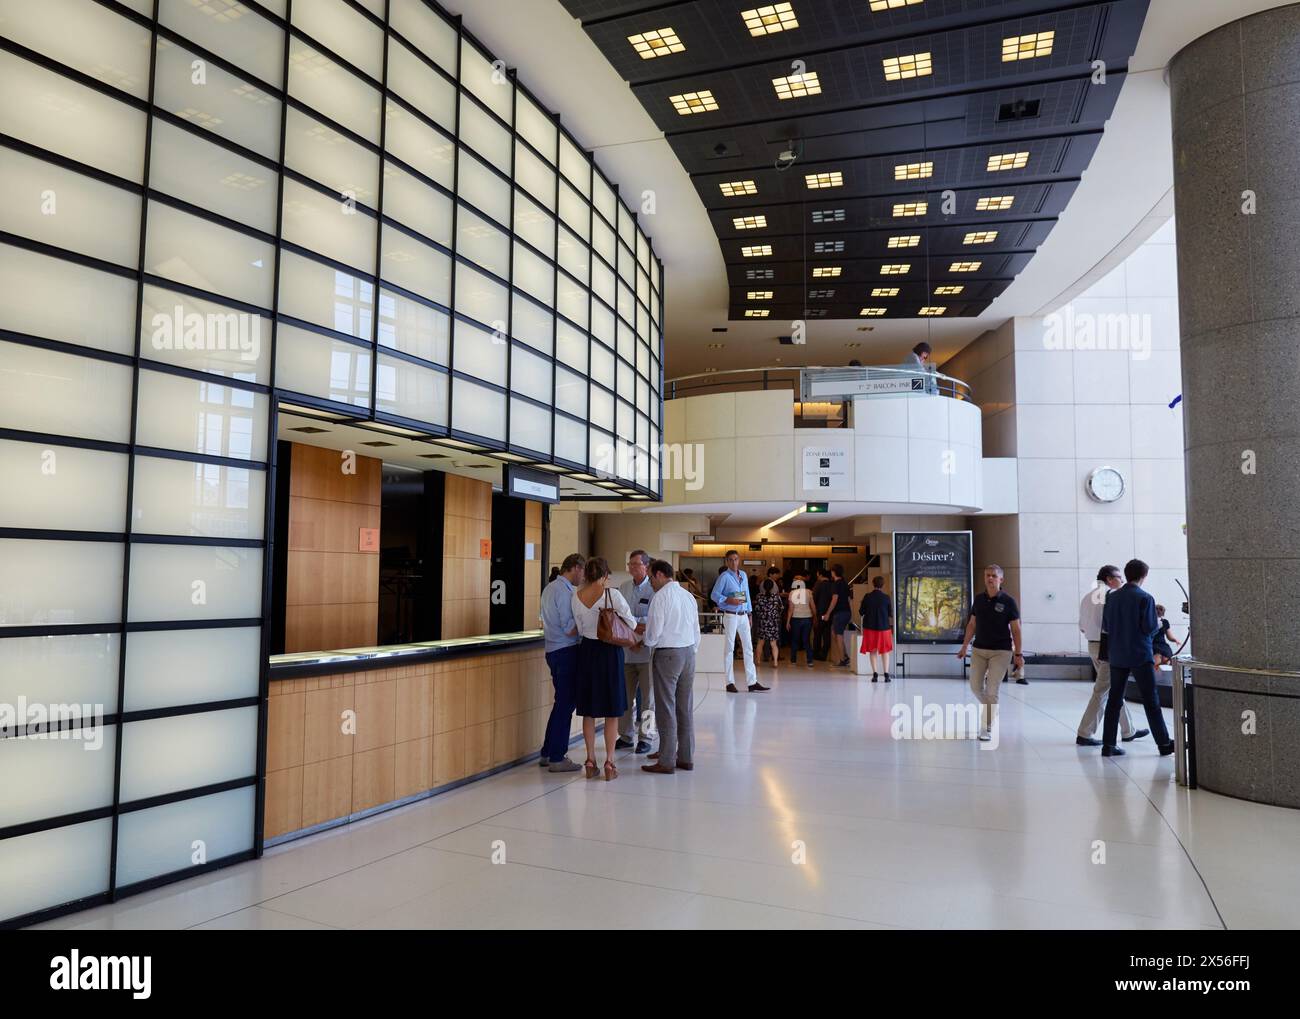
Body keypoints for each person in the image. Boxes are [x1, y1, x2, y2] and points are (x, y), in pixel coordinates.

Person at [571, 557, 641, 780]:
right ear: (602, 575)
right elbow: (630, 623)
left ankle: (590, 760)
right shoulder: (613, 595)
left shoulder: (576, 596)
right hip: (610, 653)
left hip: (587, 651)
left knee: (589, 709)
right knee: (612, 710)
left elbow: (580, 628)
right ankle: (610, 762)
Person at [1100, 560, 1175, 758]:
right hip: (1140, 655)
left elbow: (1106, 626)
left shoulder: (1112, 598)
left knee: (1114, 700)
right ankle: (1164, 743)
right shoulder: (1145, 598)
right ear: (1144, 576)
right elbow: (1149, 627)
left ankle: (1108, 744)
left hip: (1117, 654)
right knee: (1151, 700)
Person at [641, 560, 701, 775]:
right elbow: (696, 629)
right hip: (688, 654)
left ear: (659, 575)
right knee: (684, 708)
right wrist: (691, 651)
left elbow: (653, 633)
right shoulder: (687, 595)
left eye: (650, 577)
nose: (650, 583)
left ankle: (666, 761)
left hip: (667, 655)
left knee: (666, 708)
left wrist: (643, 640)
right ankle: (686, 757)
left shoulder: (660, 597)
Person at [1075, 565, 1145, 747]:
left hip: (1092, 645)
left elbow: (1081, 626)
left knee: (1115, 687)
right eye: (1119, 578)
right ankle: (1085, 733)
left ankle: (1128, 730)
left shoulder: (1087, 597)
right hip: (1106, 648)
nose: (1122, 582)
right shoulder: (1109, 596)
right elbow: (1112, 625)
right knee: (1102, 691)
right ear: (1109, 579)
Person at [956, 564, 1023, 742]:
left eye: (994, 576)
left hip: (1001, 651)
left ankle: (986, 727)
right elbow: (971, 624)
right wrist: (964, 646)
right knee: (975, 687)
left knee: (992, 690)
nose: (990, 578)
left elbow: (1016, 630)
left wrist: (1019, 654)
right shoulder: (978, 600)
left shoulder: (1009, 602)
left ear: (1001, 579)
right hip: (979, 649)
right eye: (987, 575)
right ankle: (991, 707)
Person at [538, 553, 585, 772]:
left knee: (561, 703)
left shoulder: (549, 589)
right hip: (566, 651)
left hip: (552, 651)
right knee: (566, 704)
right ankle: (558, 757)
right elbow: (569, 627)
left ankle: (548, 752)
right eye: (582, 571)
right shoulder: (565, 593)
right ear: (575, 568)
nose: (582, 577)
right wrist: (587, 625)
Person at [710, 550, 767, 692]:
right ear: (727, 561)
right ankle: (729, 682)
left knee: (748, 648)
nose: (734, 562)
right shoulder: (724, 577)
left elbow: (746, 594)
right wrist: (728, 600)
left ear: (739, 560)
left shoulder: (743, 575)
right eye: (730, 560)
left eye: (736, 559)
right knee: (729, 649)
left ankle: (752, 682)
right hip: (730, 615)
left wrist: (750, 613)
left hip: (743, 616)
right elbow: (714, 595)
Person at [616, 550, 655, 755]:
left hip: (647, 652)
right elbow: (619, 618)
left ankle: (646, 737)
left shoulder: (654, 589)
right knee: (625, 697)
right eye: (630, 564)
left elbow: (653, 620)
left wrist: (637, 628)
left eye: (635, 564)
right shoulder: (623, 588)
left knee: (648, 699)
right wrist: (632, 635)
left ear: (645, 566)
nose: (631, 567)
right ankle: (625, 736)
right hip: (627, 651)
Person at [859, 576, 893, 682]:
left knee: (873, 651)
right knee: (885, 651)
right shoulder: (886, 597)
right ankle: (886, 674)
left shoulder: (867, 596)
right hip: (884, 628)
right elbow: (890, 613)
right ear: (882, 585)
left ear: (873, 584)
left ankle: (875, 674)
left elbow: (861, 612)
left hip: (870, 628)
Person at [823, 564, 853, 667]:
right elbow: (849, 600)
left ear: (833, 572)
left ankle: (843, 659)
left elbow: (834, 599)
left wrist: (827, 613)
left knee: (838, 635)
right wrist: (850, 613)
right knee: (835, 633)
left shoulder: (836, 584)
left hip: (839, 613)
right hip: (846, 612)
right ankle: (845, 656)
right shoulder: (845, 583)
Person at [752, 578, 783, 670]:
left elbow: (756, 609)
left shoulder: (759, 596)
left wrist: (761, 615)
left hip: (762, 622)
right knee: (773, 643)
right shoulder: (777, 597)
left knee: (760, 642)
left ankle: (758, 661)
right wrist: (776, 615)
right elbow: (781, 608)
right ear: (773, 587)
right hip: (773, 622)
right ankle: (775, 662)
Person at [786, 574, 815, 668]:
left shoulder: (792, 593)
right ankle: (810, 661)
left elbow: (791, 609)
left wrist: (788, 621)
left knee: (795, 640)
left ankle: (793, 660)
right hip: (807, 618)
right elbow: (813, 606)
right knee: (806, 640)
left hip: (795, 618)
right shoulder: (809, 592)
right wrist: (815, 616)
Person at [811, 568, 833, 661]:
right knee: (827, 634)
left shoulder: (818, 584)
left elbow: (813, 598)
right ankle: (824, 654)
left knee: (817, 634)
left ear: (820, 574)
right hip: (829, 613)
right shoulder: (833, 584)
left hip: (820, 613)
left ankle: (816, 654)